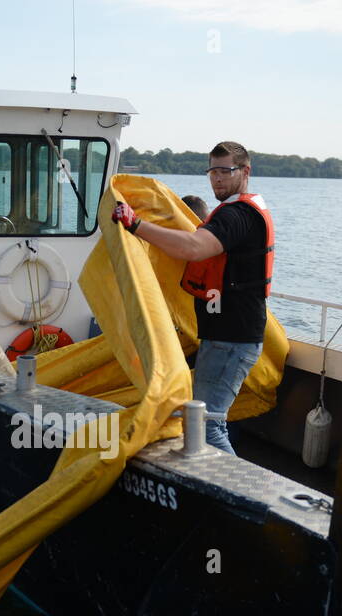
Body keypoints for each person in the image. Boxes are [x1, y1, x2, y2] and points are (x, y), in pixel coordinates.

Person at [112, 141, 274, 455]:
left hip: (232, 340)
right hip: (228, 337)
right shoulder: (236, 212)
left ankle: (233, 496)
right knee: (203, 420)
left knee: (207, 425)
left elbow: (193, 248)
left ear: (245, 171)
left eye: (225, 171)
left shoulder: (237, 216)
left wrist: (135, 224)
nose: (217, 179)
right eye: (212, 171)